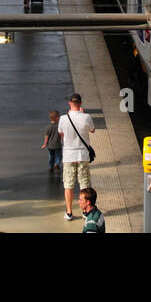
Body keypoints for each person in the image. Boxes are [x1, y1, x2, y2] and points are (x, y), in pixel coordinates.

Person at [59, 92, 95, 221]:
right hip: (83, 155)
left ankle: (69, 212)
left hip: (69, 155)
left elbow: (61, 134)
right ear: (80, 104)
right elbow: (92, 130)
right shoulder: (86, 117)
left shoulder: (63, 118)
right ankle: (85, 211)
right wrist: (83, 114)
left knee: (68, 185)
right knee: (84, 184)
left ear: (69, 103)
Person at [42, 109, 63, 174]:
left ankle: (51, 166)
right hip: (57, 145)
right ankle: (56, 164)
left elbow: (46, 136)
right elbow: (61, 135)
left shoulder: (48, 127)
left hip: (50, 146)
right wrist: (63, 142)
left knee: (51, 156)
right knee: (58, 156)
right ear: (57, 118)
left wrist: (45, 144)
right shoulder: (59, 127)